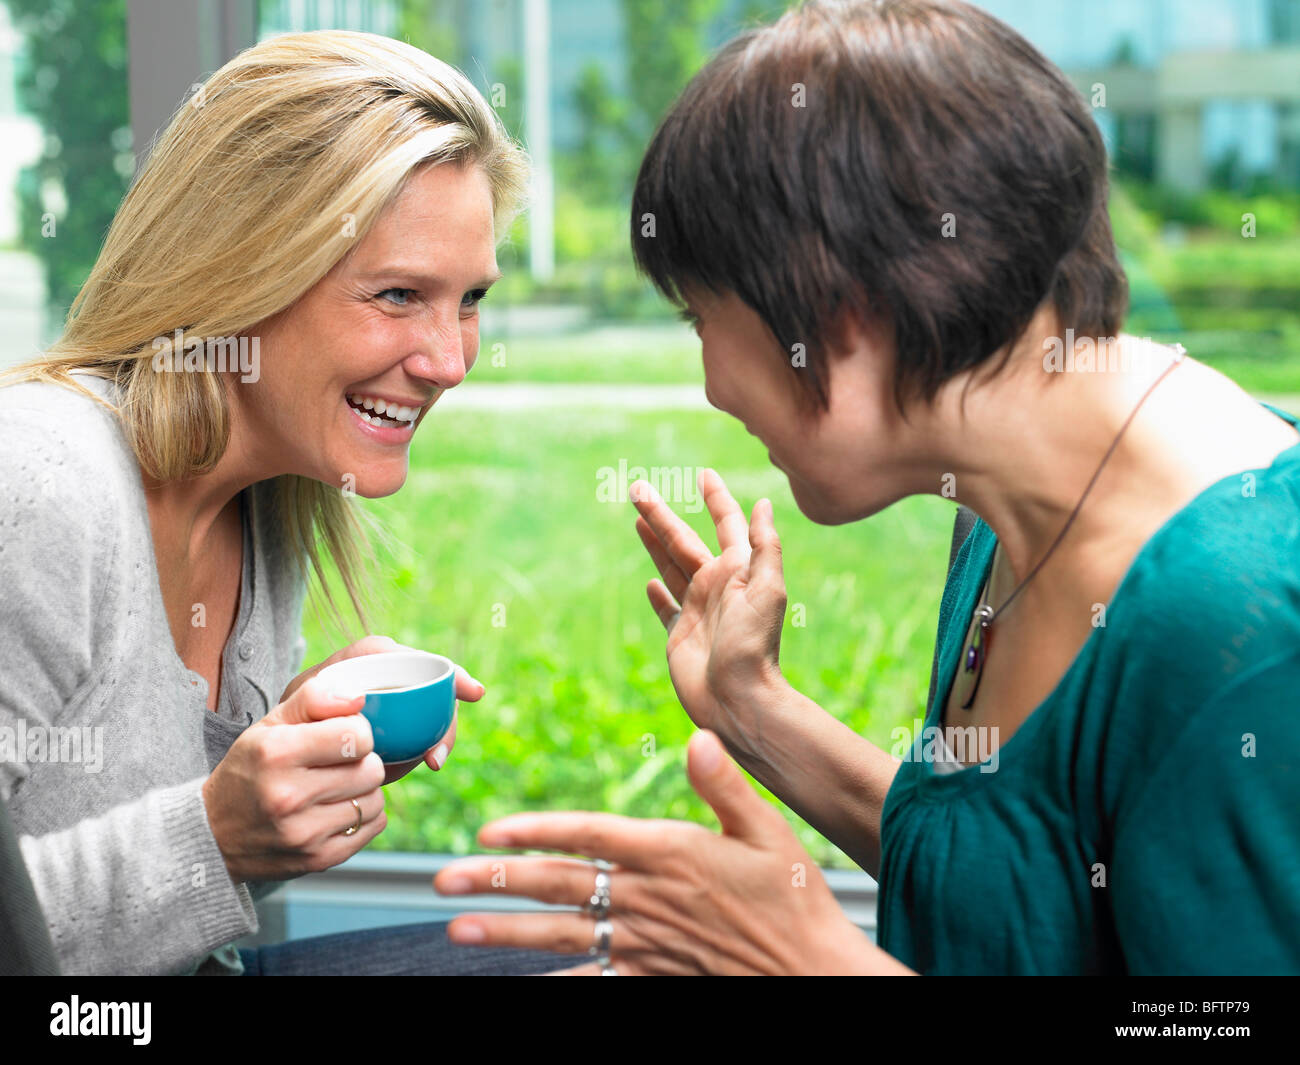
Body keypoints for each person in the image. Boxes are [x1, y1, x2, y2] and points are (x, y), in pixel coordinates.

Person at [432, 0, 1300, 975]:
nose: (713, 385)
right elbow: (1021, 900)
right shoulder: (998, 508)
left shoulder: (1234, 616)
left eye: (699, 318)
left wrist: (816, 963)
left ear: (839, 315)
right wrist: (751, 706)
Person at [0, 30, 571, 976]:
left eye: (467, 299)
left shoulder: (268, 496)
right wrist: (213, 835)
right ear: (240, 272)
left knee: (616, 951)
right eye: (397, 295)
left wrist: (280, 775)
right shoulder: (40, 483)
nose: (450, 361)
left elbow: (164, 915)